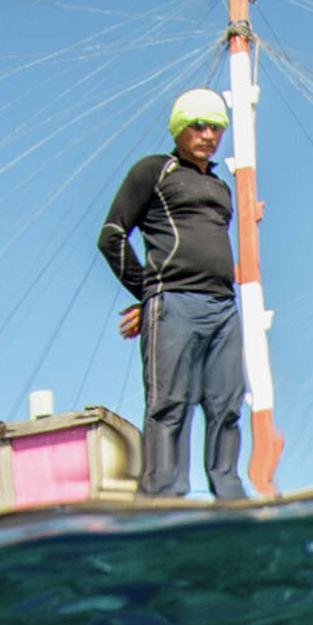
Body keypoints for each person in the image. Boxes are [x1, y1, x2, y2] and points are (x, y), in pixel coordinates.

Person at [98, 89, 249, 501]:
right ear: (180, 128)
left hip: (223, 308)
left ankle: (231, 497)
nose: (208, 134)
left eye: (216, 126)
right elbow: (111, 236)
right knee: (170, 405)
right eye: (198, 125)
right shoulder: (154, 171)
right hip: (175, 304)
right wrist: (147, 294)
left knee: (227, 406)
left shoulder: (220, 187)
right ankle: (164, 499)